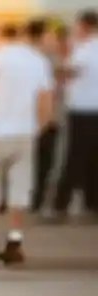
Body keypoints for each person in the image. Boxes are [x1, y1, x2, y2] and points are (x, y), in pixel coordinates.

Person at [0, 23, 55, 264]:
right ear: (39, 37)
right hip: (24, 132)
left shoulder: (0, 56)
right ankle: (14, 240)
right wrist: (38, 128)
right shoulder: (39, 62)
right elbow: (46, 101)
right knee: (20, 187)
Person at [51, 10, 98, 221]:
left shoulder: (85, 49)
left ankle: (60, 205)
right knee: (94, 158)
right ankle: (92, 203)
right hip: (94, 109)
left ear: (85, 26)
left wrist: (57, 65)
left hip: (81, 110)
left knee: (74, 157)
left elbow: (67, 71)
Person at [27, 18, 64, 213]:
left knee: (42, 162)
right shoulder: (42, 60)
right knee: (40, 162)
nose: (54, 39)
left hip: (44, 118)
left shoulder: (47, 58)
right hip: (41, 119)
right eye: (50, 35)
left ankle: (35, 200)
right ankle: (33, 200)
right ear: (40, 36)